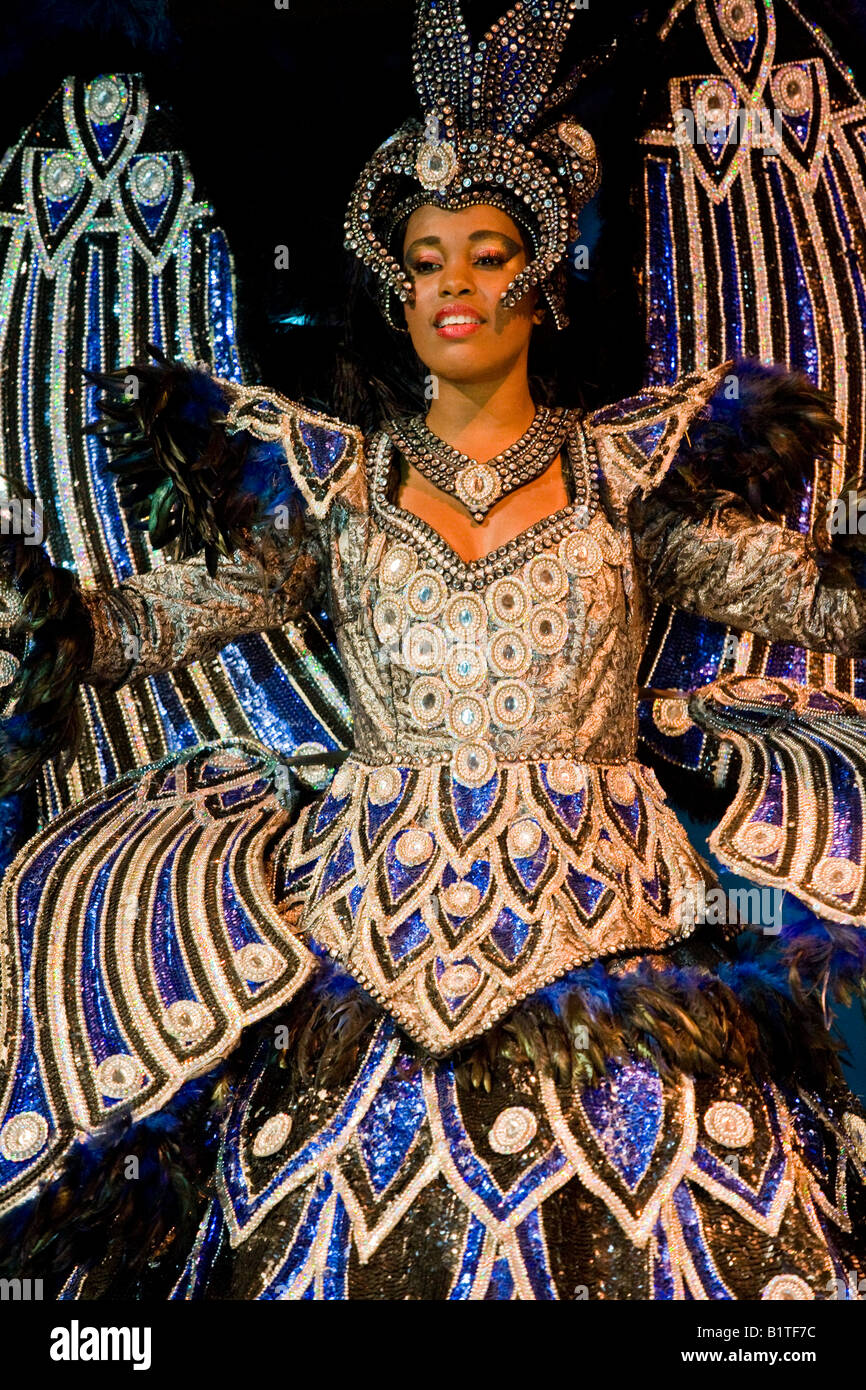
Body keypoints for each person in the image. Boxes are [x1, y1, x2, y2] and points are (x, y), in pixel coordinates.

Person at [0, 0, 865, 1300]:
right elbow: (180, 611)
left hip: (607, 929)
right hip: (367, 934)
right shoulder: (335, 487)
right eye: (423, 258)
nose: (451, 283)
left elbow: (799, 595)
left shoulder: (623, 473)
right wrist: (59, 627)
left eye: (482, 251)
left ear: (540, 276)